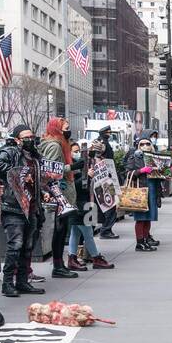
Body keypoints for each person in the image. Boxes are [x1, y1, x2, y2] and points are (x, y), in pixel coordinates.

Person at [0, 123, 46, 298]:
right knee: (15, 245)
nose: (30, 140)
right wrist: (20, 173)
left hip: (31, 207)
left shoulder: (36, 157)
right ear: (17, 140)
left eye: (31, 137)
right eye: (25, 138)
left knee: (28, 246)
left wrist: (42, 193)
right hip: (13, 206)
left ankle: (22, 281)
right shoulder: (10, 152)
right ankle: (7, 283)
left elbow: (40, 180)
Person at [39, 118, 78, 279]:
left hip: (60, 193)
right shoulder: (55, 146)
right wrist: (72, 167)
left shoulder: (58, 144)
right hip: (58, 194)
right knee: (59, 231)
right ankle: (58, 265)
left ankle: (59, 265)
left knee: (61, 231)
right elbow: (50, 171)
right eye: (65, 128)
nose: (68, 131)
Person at [68, 141, 114, 271]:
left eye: (80, 151)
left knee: (76, 232)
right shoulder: (72, 167)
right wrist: (87, 176)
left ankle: (72, 258)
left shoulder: (86, 164)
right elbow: (74, 186)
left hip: (88, 202)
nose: (78, 153)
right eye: (75, 151)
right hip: (80, 203)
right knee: (87, 232)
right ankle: (96, 258)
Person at [123, 134, 163, 251]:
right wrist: (141, 171)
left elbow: (160, 174)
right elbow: (128, 173)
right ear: (138, 146)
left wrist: (167, 171)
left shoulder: (155, 157)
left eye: (147, 144)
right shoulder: (134, 157)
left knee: (148, 218)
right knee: (141, 218)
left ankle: (145, 240)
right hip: (140, 191)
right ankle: (139, 242)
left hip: (153, 190)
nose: (145, 146)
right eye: (142, 144)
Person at [96, 126, 119, 239]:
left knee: (109, 204)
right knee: (110, 205)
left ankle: (106, 229)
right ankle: (106, 230)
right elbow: (98, 158)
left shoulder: (102, 141)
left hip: (106, 177)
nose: (109, 134)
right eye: (108, 132)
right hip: (105, 178)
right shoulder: (101, 142)